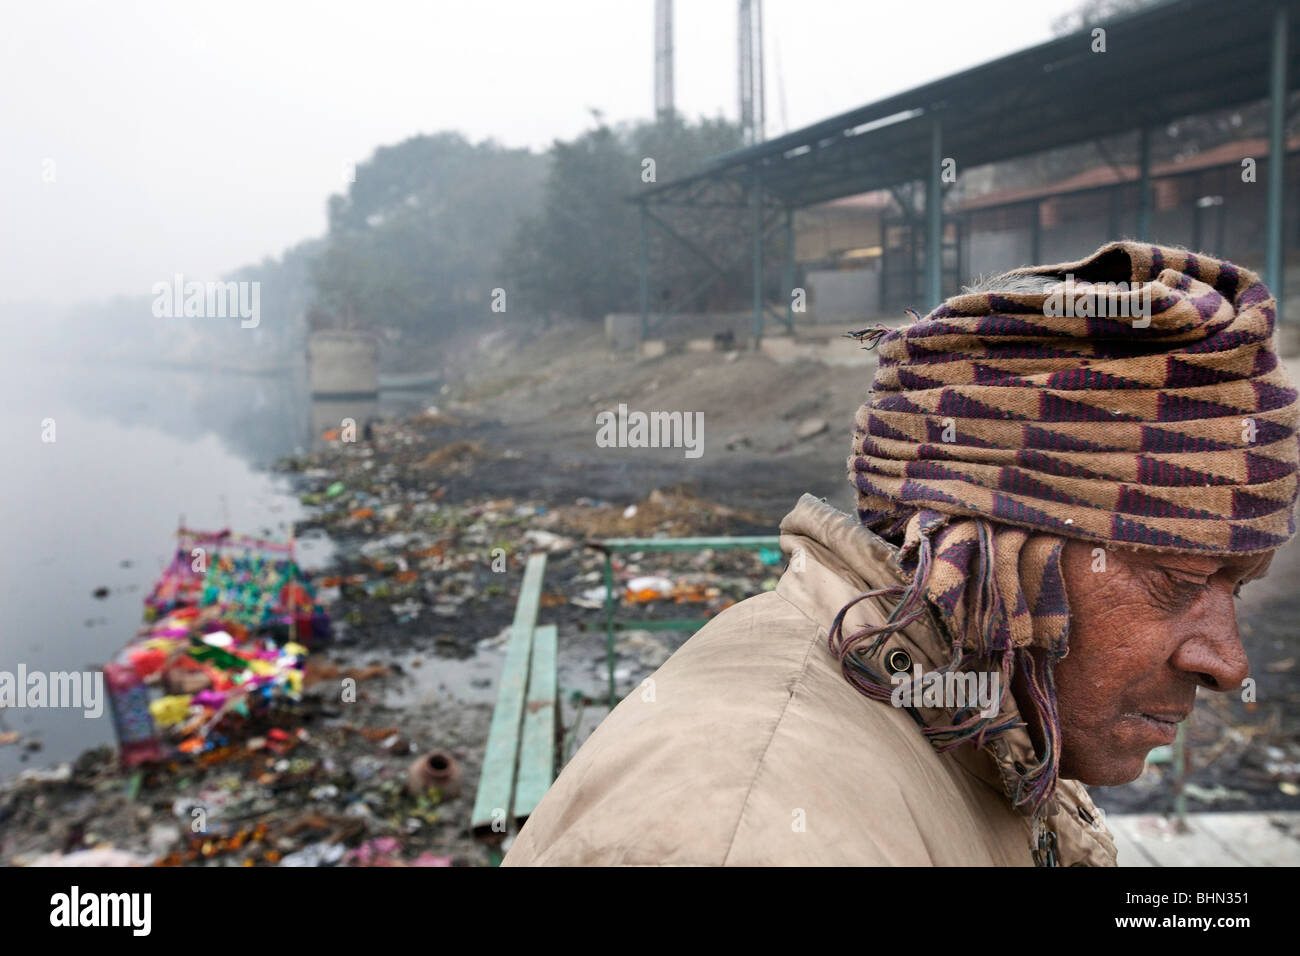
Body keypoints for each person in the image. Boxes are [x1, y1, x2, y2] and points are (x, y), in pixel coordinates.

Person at [504, 241, 1299, 866]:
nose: (1228, 662)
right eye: (1179, 580)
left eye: (1239, 586)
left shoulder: (986, 711)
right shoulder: (749, 831)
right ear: (984, 543)